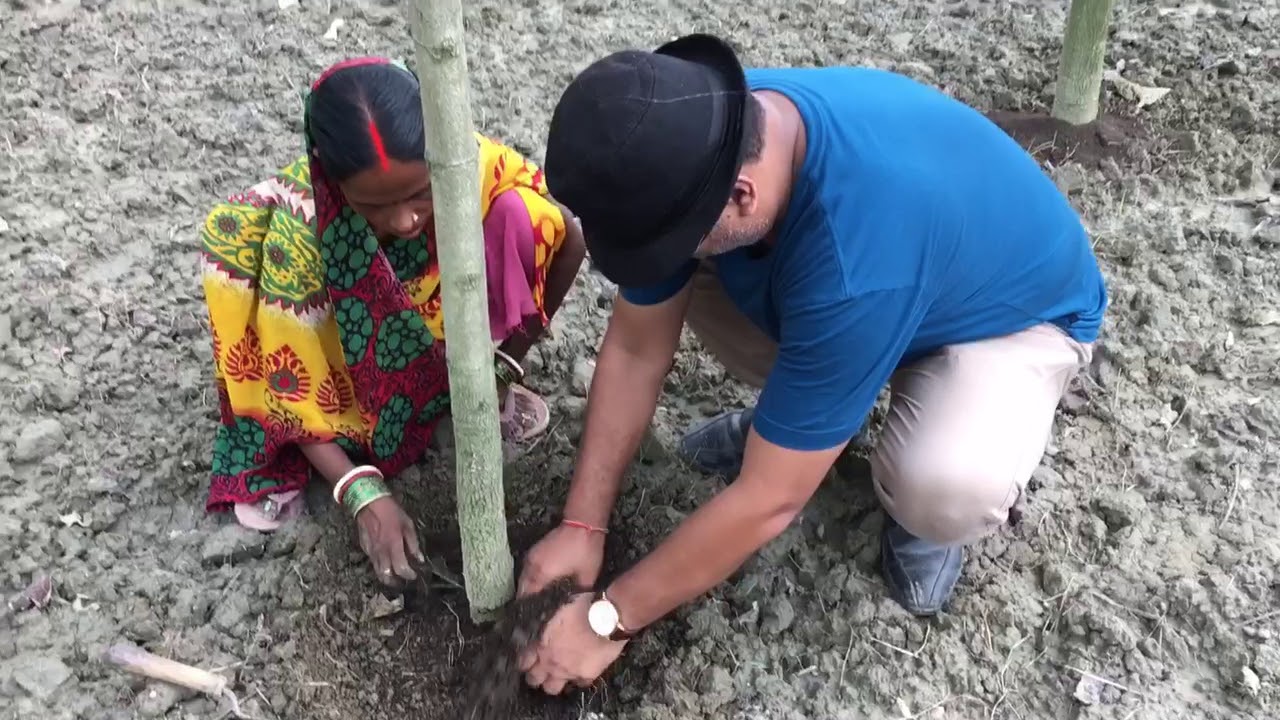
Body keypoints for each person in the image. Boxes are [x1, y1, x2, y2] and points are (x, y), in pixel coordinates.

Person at [514, 34, 1108, 693]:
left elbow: (771, 500)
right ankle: (804, 422)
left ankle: (887, 487)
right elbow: (634, 345)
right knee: (693, 277)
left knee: (940, 485)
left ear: (741, 195)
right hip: (880, 280)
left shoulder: (856, 256)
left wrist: (607, 620)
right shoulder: (695, 131)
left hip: (1006, 318)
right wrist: (582, 523)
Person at [198, 57, 585, 584]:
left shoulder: (467, 166)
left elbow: (568, 238)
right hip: (334, 358)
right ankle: (359, 437)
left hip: (437, 330)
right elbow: (286, 389)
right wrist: (361, 492)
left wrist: (505, 363)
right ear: (336, 187)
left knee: (523, 215)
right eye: (374, 205)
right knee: (240, 266)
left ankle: (458, 384)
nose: (404, 220)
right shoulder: (303, 235)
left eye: (420, 194)